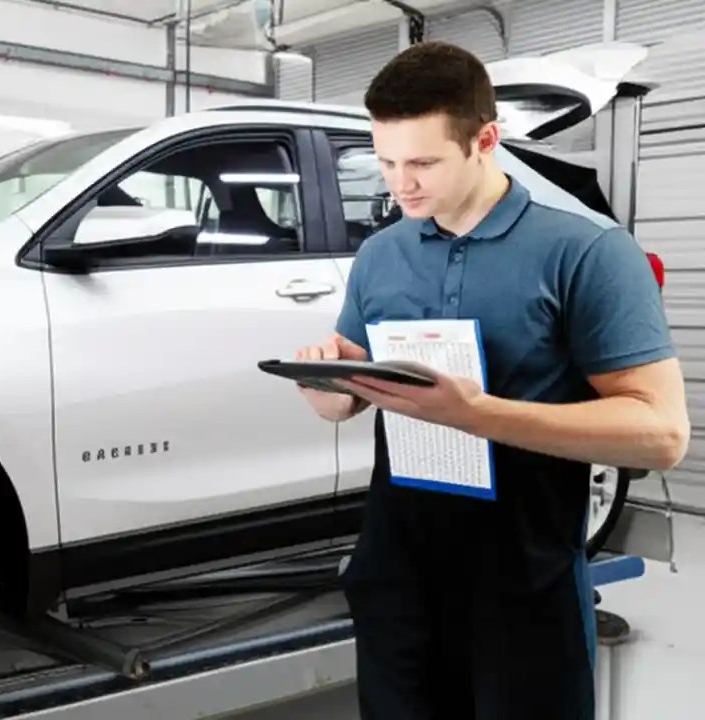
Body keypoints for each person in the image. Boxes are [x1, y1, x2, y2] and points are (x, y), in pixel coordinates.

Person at [296, 41, 690, 719]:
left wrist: (478, 413)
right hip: (401, 574)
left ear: (486, 139)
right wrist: (326, 387)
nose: (400, 183)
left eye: (422, 162)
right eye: (385, 161)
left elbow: (660, 435)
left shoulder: (587, 253)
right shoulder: (380, 256)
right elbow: (348, 403)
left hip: (523, 579)